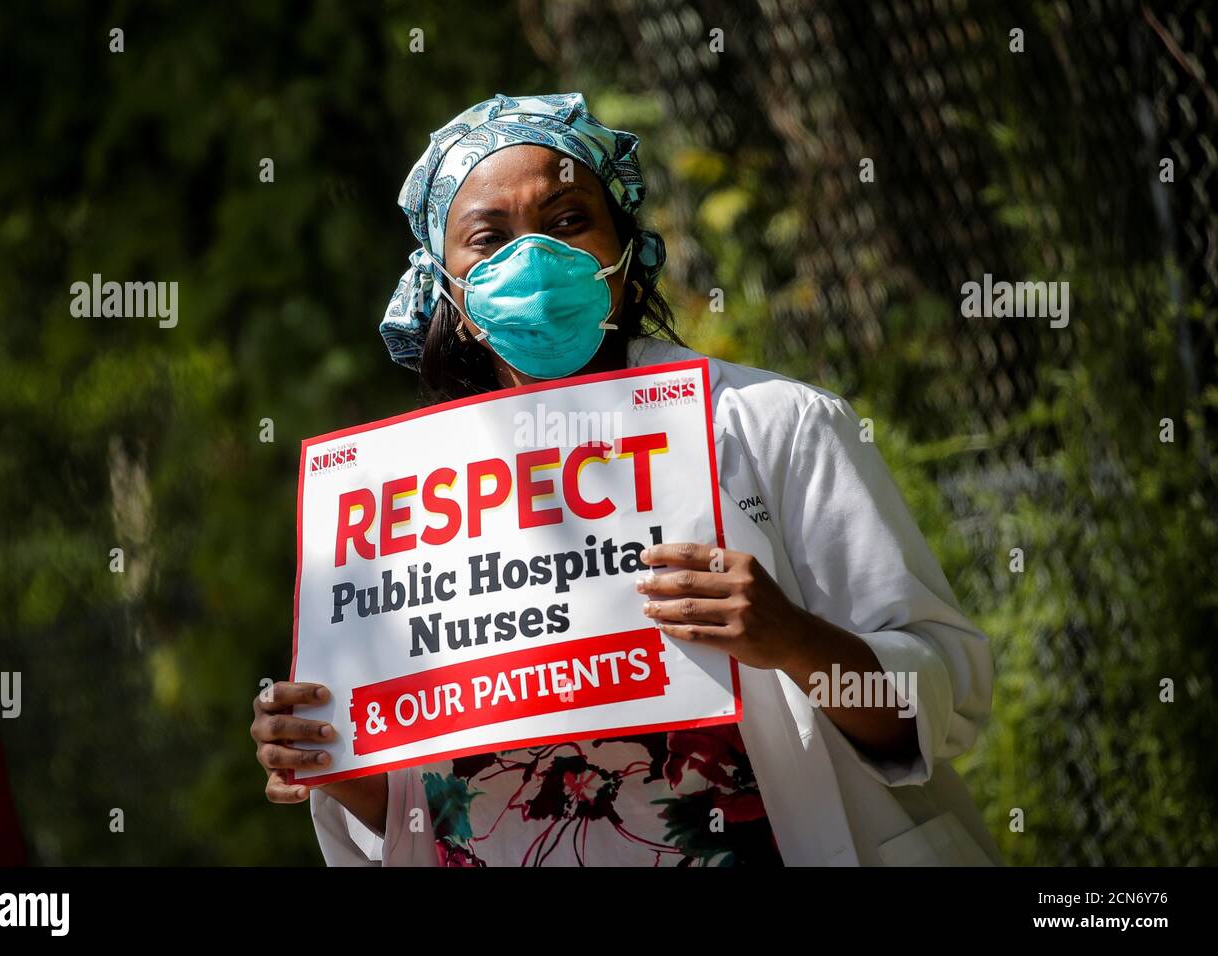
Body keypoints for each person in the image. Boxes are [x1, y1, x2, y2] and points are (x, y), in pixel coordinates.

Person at [250, 92, 1001, 866]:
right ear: (448, 290)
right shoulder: (397, 503)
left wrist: (794, 640)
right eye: (488, 238)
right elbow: (429, 816)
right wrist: (334, 765)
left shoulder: (770, 425)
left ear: (623, 250)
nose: (533, 258)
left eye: (569, 219)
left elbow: (943, 707)